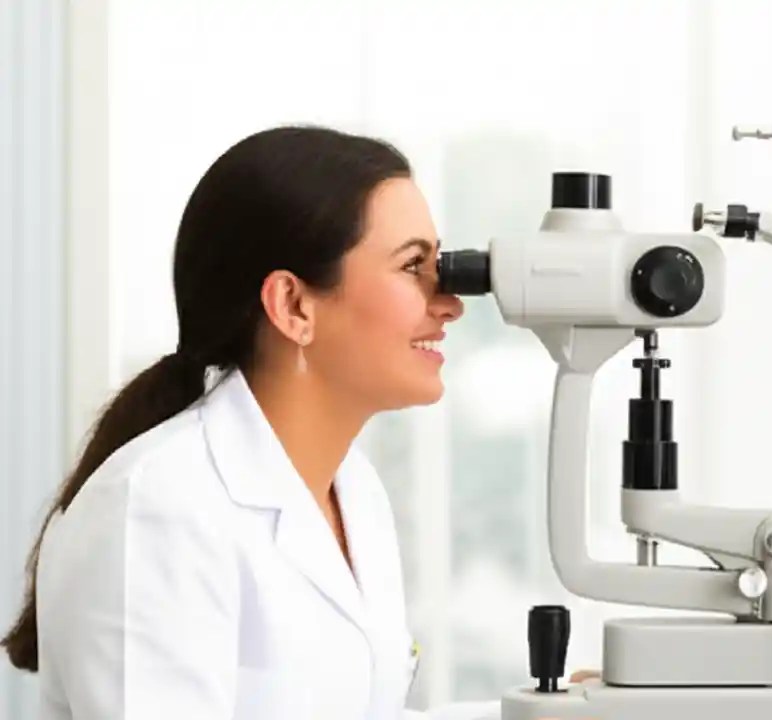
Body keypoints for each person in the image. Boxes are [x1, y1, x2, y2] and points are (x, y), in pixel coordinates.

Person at [2, 126, 464, 718]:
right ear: (294, 306)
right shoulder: (157, 511)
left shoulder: (355, 491)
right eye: (413, 266)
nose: (450, 303)